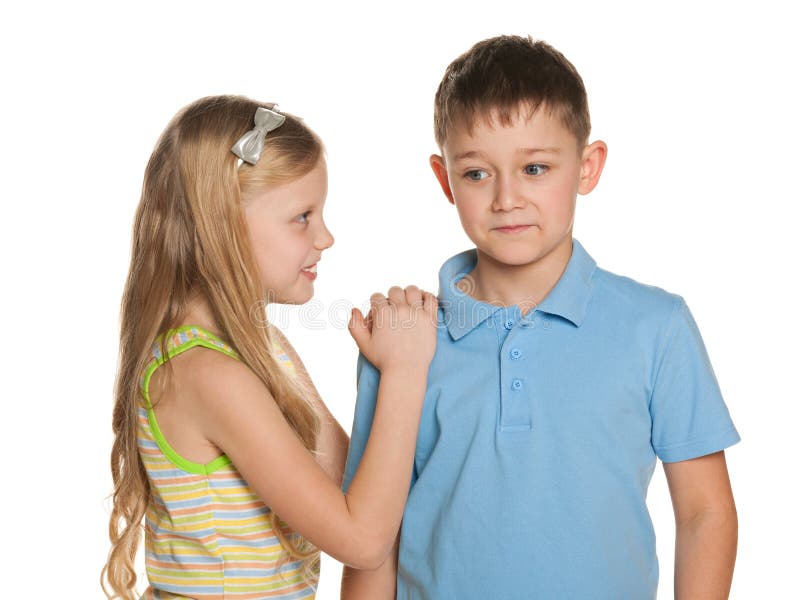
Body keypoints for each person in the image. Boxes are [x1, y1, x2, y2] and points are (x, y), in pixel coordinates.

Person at [341, 36, 739, 599]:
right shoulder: (402, 339)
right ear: (444, 179)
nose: (507, 198)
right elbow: (371, 539)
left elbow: (704, 512)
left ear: (587, 167)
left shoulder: (657, 327)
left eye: (534, 168)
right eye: (476, 174)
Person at [102, 95, 438, 600]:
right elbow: (362, 540)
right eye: (303, 216)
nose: (325, 237)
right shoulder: (206, 375)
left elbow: (355, 483)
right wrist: (405, 372)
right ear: (223, 226)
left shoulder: (265, 348)